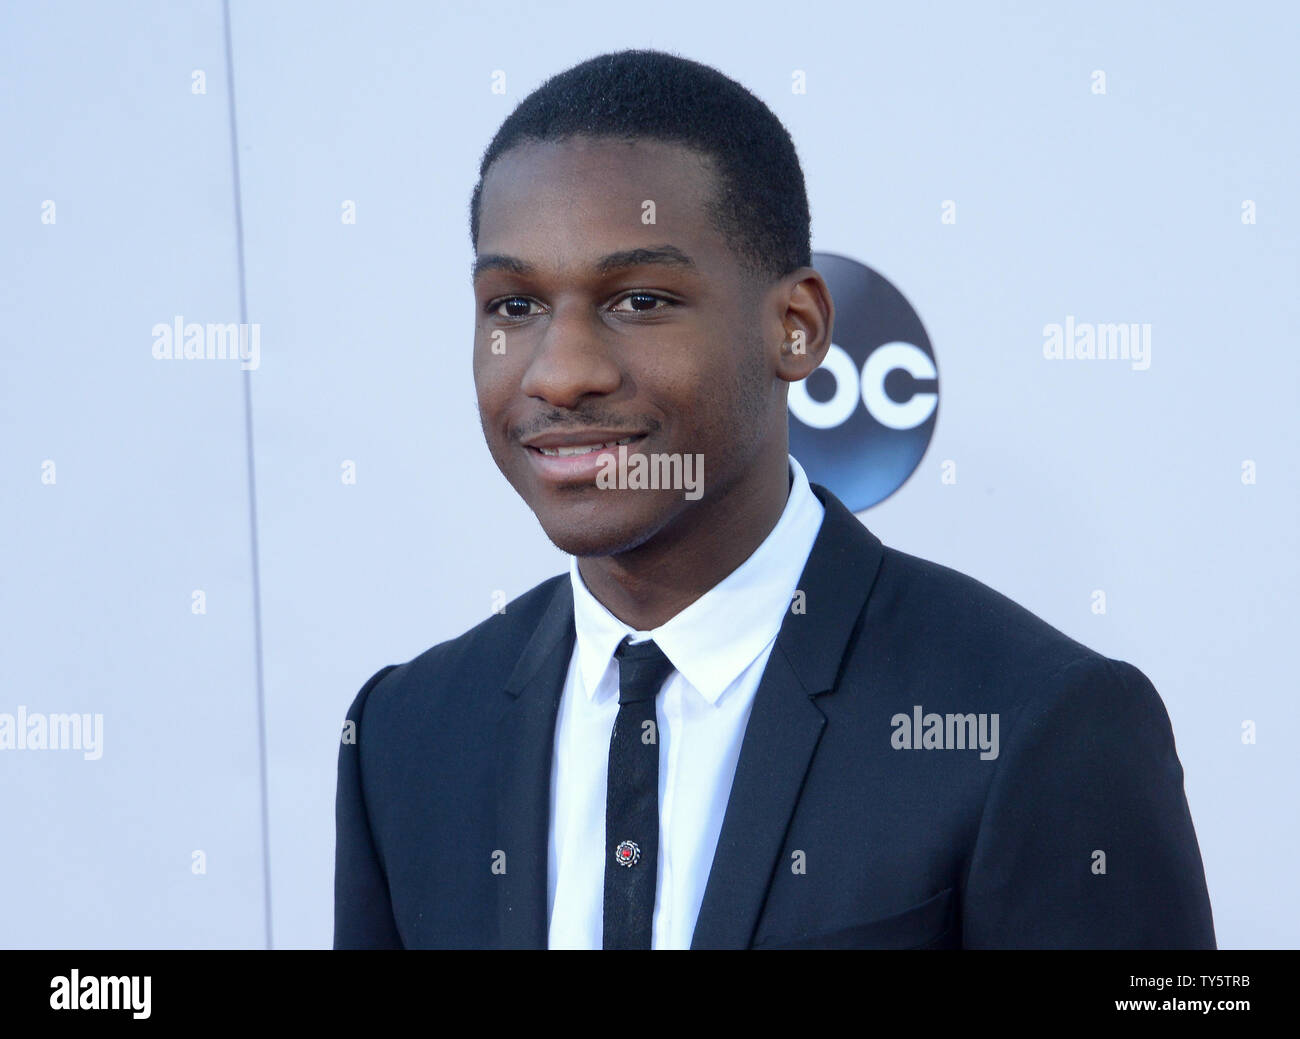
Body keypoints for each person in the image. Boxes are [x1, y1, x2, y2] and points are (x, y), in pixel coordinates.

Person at [333, 48, 1215, 949]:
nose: (560, 373)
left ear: (796, 328)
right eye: (513, 307)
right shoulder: (408, 735)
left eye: (639, 298)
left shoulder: (1034, 723)